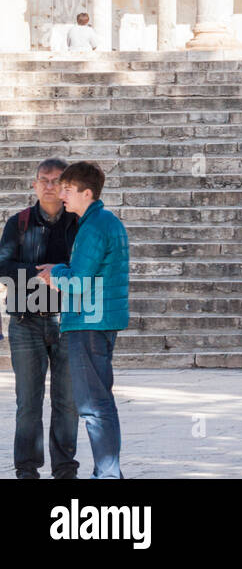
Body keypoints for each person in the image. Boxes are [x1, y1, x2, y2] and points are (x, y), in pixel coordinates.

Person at [37, 162, 129, 479]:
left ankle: (107, 474)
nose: (61, 195)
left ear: (86, 193)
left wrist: (54, 274)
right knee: (100, 402)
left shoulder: (93, 226)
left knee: (93, 406)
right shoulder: (104, 221)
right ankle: (108, 471)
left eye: (68, 189)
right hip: (99, 321)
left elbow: (78, 281)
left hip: (88, 323)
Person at [0, 158, 79, 479]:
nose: (49, 186)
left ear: (66, 187)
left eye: (57, 180)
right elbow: (3, 266)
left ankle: (65, 470)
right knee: (28, 404)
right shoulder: (17, 223)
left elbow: (86, 266)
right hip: (25, 321)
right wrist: (40, 273)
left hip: (69, 321)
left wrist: (57, 272)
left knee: (68, 402)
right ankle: (27, 469)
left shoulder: (78, 223)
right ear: (34, 185)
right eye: (43, 180)